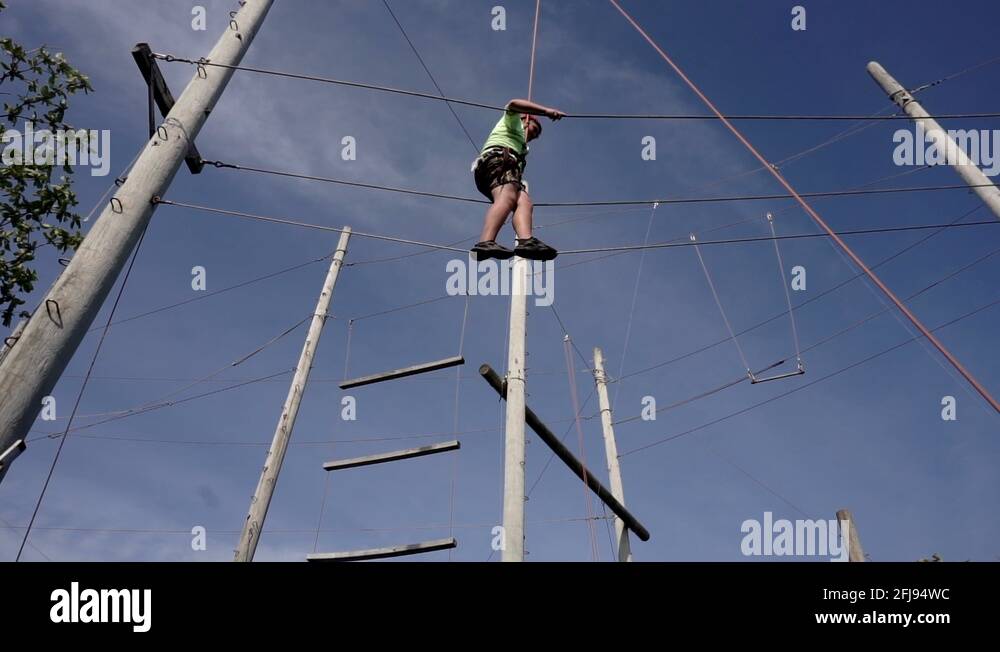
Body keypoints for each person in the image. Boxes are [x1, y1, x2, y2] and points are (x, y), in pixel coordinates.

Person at [470, 99, 566, 261]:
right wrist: (546, 111)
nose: (531, 135)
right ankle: (486, 241)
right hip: (498, 159)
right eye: (532, 129)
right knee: (507, 196)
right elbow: (513, 103)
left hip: (503, 168)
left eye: (535, 136)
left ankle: (525, 240)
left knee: (524, 202)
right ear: (524, 120)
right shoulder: (511, 121)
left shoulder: (522, 149)